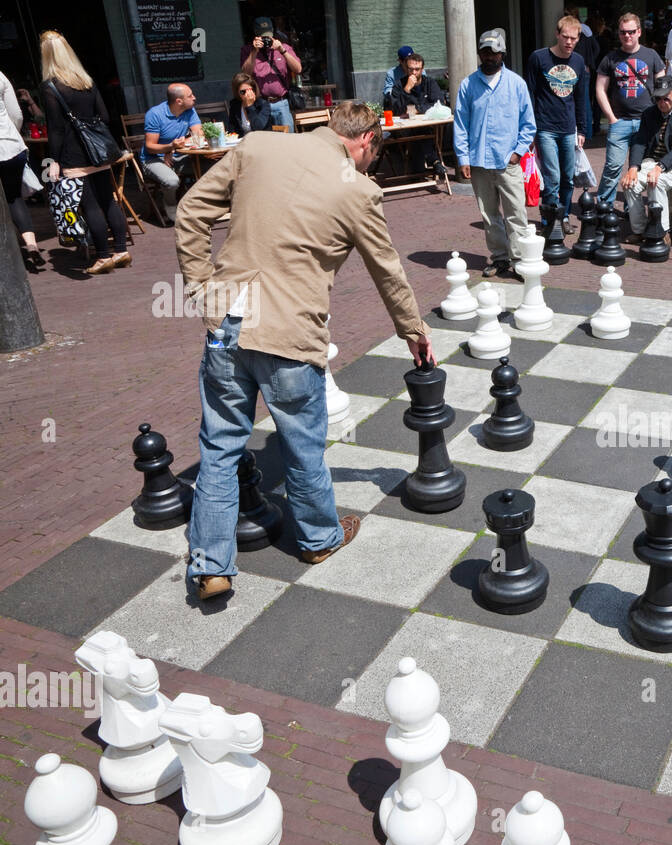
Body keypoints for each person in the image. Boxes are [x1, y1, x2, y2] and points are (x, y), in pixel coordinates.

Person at [176, 101, 434, 601]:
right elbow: (387, 270)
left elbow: (190, 211)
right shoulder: (359, 190)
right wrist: (414, 329)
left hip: (228, 322)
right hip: (289, 332)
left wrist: (203, 291)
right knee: (301, 444)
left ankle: (210, 566)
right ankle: (318, 537)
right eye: (370, 157)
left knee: (219, 447)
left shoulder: (257, 145)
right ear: (364, 141)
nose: (367, 166)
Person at [39, 30, 129, 274]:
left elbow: (56, 129)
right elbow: (106, 116)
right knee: (107, 200)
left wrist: (53, 161)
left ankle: (102, 256)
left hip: (74, 154)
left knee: (89, 206)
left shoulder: (50, 87)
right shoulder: (86, 80)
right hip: (98, 150)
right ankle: (121, 250)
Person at [453, 29, 537, 279]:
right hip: (479, 162)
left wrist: (517, 152)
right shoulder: (468, 85)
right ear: (479, 53)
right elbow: (460, 123)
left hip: (508, 162)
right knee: (489, 216)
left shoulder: (516, 84)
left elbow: (529, 124)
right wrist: (463, 158)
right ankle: (500, 258)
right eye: (485, 53)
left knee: (516, 215)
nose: (489, 57)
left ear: (502, 54)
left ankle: (520, 260)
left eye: (494, 53)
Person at [595, 14, 666, 207]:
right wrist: (611, 117)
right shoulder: (610, 58)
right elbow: (600, 89)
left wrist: (659, 117)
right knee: (613, 167)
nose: (627, 36)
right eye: (623, 32)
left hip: (646, 122)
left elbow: (663, 88)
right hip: (620, 121)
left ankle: (631, 208)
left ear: (639, 32)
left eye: (631, 32)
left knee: (640, 168)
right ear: (618, 33)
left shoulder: (651, 56)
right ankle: (604, 207)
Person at [526, 16, 589, 230]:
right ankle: (549, 218)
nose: (569, 42)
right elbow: (531, 94)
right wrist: (530, 128)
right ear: (557, 34)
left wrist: (582, 128)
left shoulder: (579, 62)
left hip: (568, 127)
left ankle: (564, 216)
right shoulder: (539, 58)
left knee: (568, 177)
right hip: (545, 127)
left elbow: (581, 97)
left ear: (578, 38)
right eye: (565, 37)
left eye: (573, 38)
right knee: (552, 176)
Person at [621, 74, 672, 243]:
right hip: (650, 162)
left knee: (656, 182)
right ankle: (639, 230)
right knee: (630, 184)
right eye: (658, 98)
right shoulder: (649, 113)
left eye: (666, 98)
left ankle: (662, 230)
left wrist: (660, 167)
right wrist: (633, 168)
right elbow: (640, 141)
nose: (661, 102)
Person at [139, 83, 204, 226]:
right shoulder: (155, 114)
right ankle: (170, 205)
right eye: (190, 96)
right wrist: (169, 147)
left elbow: (199, 135)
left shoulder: (189, 110)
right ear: (179, 101)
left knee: (211, 168)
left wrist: (172, 149)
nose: (194, 98)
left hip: (177, 155)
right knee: (171, 181)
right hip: (153, 159)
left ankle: (205, 206)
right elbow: (150, 147)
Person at [0, 69, 42, 268]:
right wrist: (12, 134)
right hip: (10, 146)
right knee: (15, 197)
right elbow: (16, 114)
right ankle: (31, 244)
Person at [384, 52, 447, 175]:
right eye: (411, 69)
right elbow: (396, 110)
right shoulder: (399, 85)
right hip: (406, 128)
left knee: (422, 131)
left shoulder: (430, 83)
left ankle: (423, 168)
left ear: (422, 69)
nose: (413, 73)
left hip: (428, 126)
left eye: (417, 69)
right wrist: (406, 90)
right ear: (406, 69)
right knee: (419, 131)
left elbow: (439, 104)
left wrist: (416, 109)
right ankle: (434, 161)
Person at [239, 16, 302, 132]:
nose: (266, 39)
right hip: (261, 104)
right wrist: (254, 51)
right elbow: (245, 74)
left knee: (288, 142)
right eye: (263, 37)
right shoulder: (248, 50)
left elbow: (298, 69)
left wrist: (282, 50)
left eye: (268, 35)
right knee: (265, 142)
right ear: (256, 35)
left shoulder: (284, 47)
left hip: (281, 103)